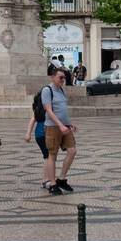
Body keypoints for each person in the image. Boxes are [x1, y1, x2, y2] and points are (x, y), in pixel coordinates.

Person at [41, 68, 77, 196]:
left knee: (72, 151)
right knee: (52, 155)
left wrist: (69, 123)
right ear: (52, 77)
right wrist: (60, 125)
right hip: (52, 127)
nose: (63, 80)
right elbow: (49, 111)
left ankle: (61, 179)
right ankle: (52, 184)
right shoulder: (47, 90)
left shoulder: (62, 90)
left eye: (64, 78)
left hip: (64, 126)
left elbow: (62, 109)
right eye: (60, 77)